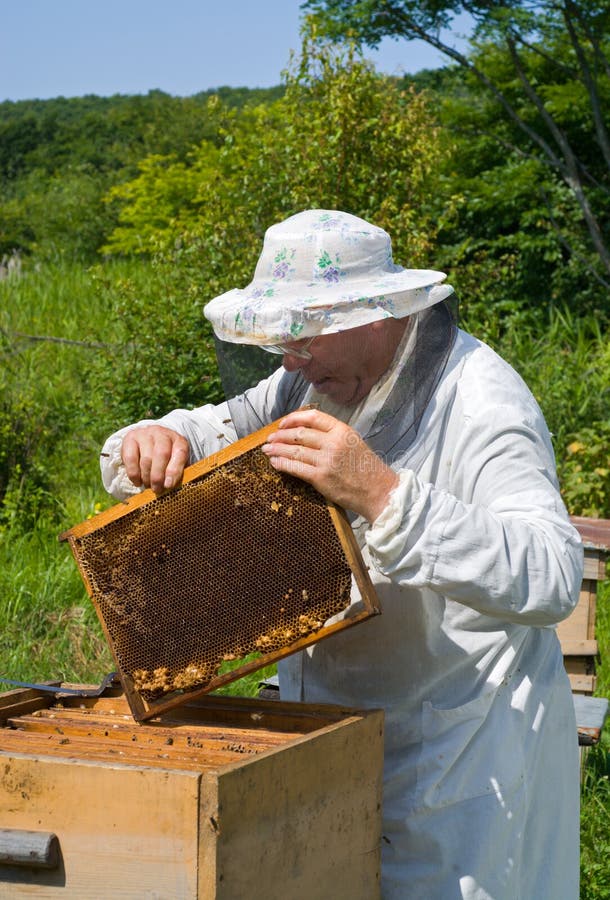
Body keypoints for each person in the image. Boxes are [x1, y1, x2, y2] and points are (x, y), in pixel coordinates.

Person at [100, 209, 583, 899]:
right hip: (334, 737)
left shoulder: (482, 403)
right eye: (282, 338)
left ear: (376, 313)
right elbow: (217, 429)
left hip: (467, 761)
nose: (290, 357)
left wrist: (386, 495)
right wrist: (155, 436)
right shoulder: (307, 380)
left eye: (305, 335)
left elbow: (553, 575)